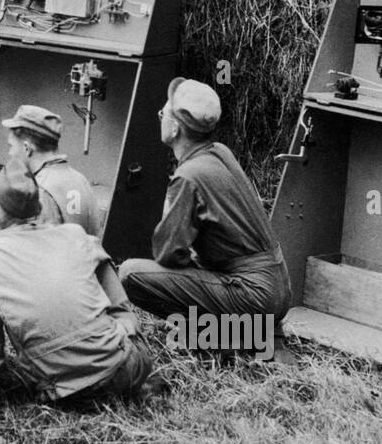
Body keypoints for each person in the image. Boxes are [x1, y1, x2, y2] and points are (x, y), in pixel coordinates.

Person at [0, 159, 151, 443]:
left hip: (68, 393)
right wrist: (123, 318)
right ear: (39, 206)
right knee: (126, 335)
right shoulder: (75, 235)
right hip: (126, 368)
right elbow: (111, 281)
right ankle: (137, 387)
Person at [118, 78, 292, 356]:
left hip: (253, 295)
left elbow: (167, 253)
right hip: (277, 287)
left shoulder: (188, 176)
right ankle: (249, 331)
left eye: (164, 113)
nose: (159, 117)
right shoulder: (220, 151)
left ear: (175, 128)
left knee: (131, 274)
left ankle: (229, 339)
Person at [2, 103, 110, 236]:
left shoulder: (38, 191)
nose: (10, 153)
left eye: (11, 146)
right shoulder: (81, 181)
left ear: (27, 148)